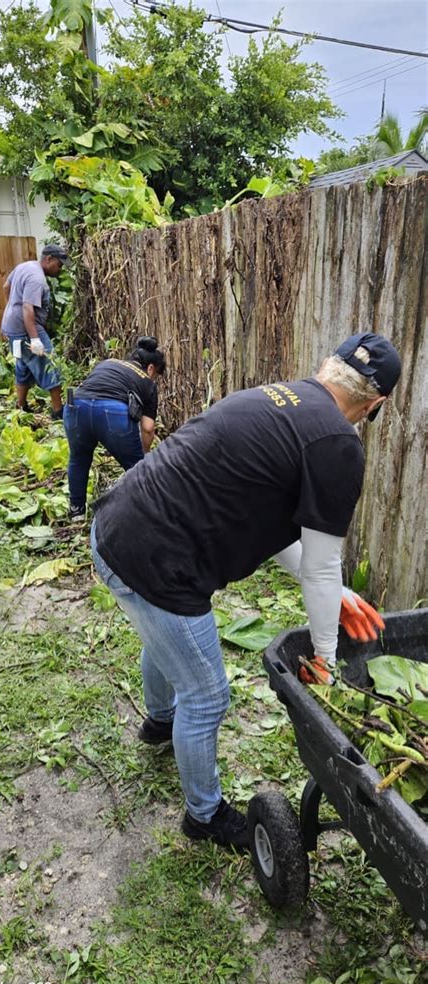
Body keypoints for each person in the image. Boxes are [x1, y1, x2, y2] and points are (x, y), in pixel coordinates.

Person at [90, 331, 401, 851]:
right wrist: (325, 660)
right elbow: (324, 566)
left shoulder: (279, 399)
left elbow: (278, 527)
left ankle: (160, 723)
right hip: (153, 558)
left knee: (163, 636)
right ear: (377, 403)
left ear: (328, 366)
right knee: (208, 695)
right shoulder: (338, 445)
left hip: (114, 527)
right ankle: (204, 816)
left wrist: (337, 595)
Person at [63, 336, 166, 520]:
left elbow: (92, 388)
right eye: (156, 374)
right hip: (112, 412)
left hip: (76, 406)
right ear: (151, 368)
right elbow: (148, 428)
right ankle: (149, 512)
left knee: (78, 458)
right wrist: (142, 455)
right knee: (137, 469)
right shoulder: (147, 382)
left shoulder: (107, 363)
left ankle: (76, 511)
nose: (155, 378)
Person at [1, 243, 69, 419]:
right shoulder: (37, 279)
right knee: (50, 365)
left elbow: (5, 287)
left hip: (12, 329)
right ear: (49, 259)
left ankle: (21, 407)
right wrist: (35, 339)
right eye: (59, 264)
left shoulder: (25, 266)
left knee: (23, 365)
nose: (60, 269)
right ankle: (58, 411)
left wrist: (11, 309)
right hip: (27, 329)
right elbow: (27, 308)